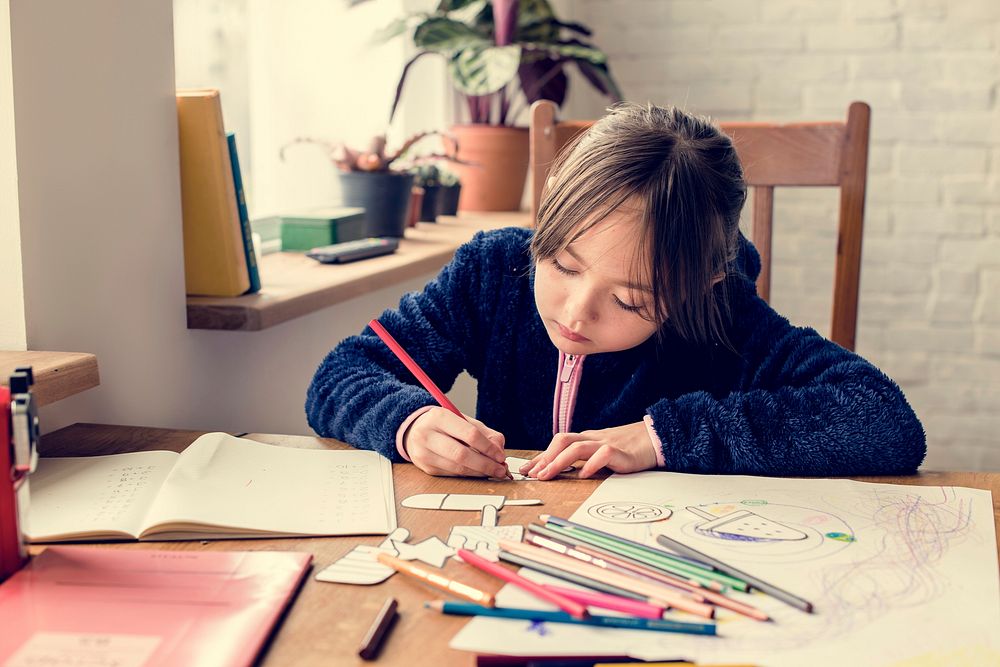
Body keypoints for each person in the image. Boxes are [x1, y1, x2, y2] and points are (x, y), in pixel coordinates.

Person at [306, 102, 925, 481]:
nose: (577, 313)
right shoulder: (494, 273)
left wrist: (661, 437)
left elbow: (886, 421)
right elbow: (341, 374)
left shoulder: (720, 316)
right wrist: (409, 424)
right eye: (563, 265)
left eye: (631, 300)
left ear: (697, 285)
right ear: (543, 223)